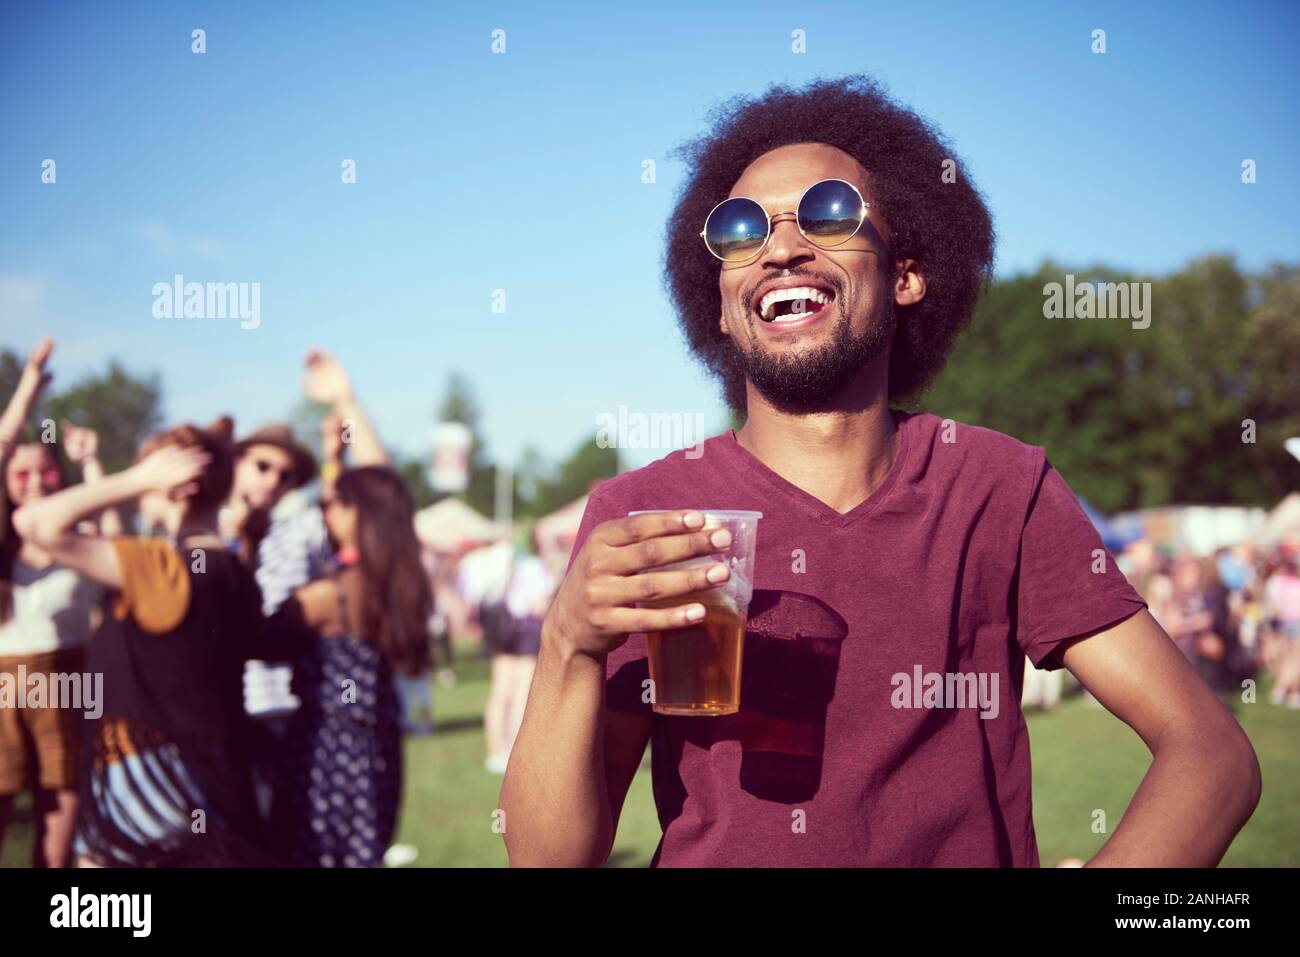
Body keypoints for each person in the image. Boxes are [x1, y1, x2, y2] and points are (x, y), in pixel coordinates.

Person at [500, 74, 1261, 867]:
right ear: (720, 304)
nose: (782, 248)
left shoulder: (1001, 486)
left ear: (905, 275)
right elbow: (551, 859)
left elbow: (1211, 752)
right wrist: (567, 643)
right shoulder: (645, 512)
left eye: (829, 214)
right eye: (740, 229)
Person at [13, 418, 275, 866]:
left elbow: (33, 522)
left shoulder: (161, 566)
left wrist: (133, 479)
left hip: (145, 782)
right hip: (216, 781)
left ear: (176, 486)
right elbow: (113, 547)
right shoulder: (234, 573)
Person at [260, 466, 431, 867]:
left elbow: (258, 640)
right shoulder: (398, 587)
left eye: (333, 503)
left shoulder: (327, 596)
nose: (324, 511)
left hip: (324, 752)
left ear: (361, 513)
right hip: (379, 749)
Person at [0, 339, 115, 867]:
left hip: (65, 689)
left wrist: (92, 465)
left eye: (45, 471)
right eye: (19, 474)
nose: (32, 483)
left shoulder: (81, 540)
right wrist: (28, 390)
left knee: (55, 850)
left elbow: (119, 541)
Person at [478, 528, 554, 773]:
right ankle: (512, 749)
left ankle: (494, 752)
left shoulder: (510, 564)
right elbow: (539, 604)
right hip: (525, 633)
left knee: (500, 692)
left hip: (503, 631)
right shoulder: (534, 565)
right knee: (522, 691)